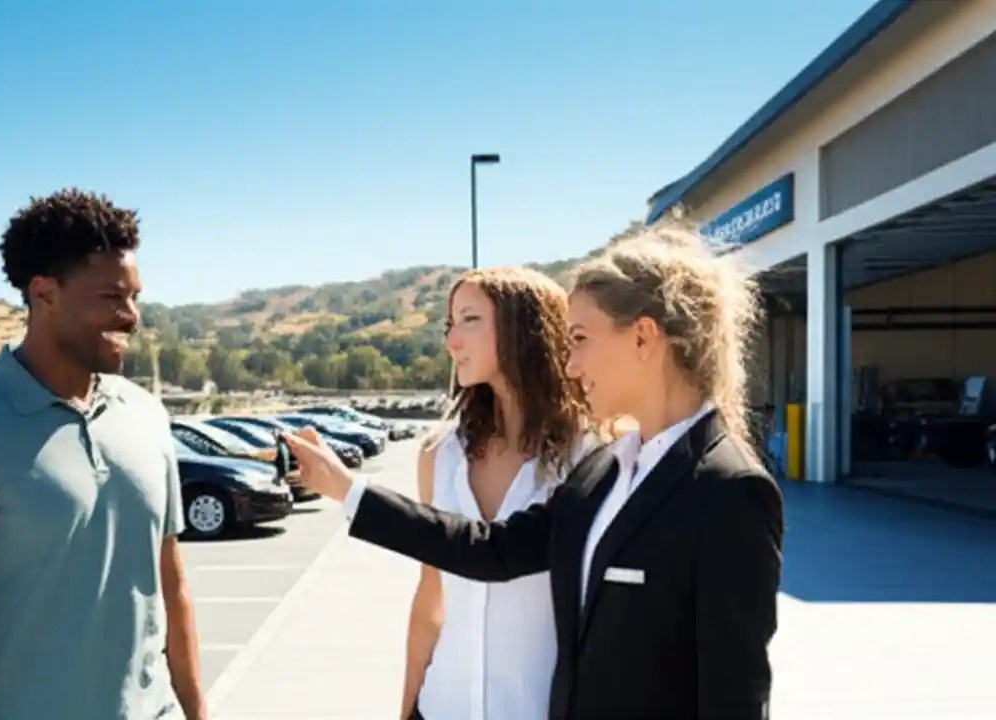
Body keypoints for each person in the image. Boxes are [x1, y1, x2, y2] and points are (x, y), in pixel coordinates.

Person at [285, 218, 784, 720]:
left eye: (582, 339)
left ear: (643, 338)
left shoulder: (729, 491)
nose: (571, 365)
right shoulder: (603, 473)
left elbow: (735, 700)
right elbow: (489, 550)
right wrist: (348, 491)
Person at [0, 189, 207, 720]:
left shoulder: (147, 416)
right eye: (111, 296)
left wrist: (198, 712)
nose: (131, 316)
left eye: (135, 296)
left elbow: (171, 587)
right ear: (45, 293)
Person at [399, 267, 596, 720]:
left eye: (469, 319)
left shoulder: (590, 454)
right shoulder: (439, 455)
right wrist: (406, 706)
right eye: (449, 325)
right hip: (441, 707)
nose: (452, 341)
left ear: (523, 328)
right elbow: (431, 597)